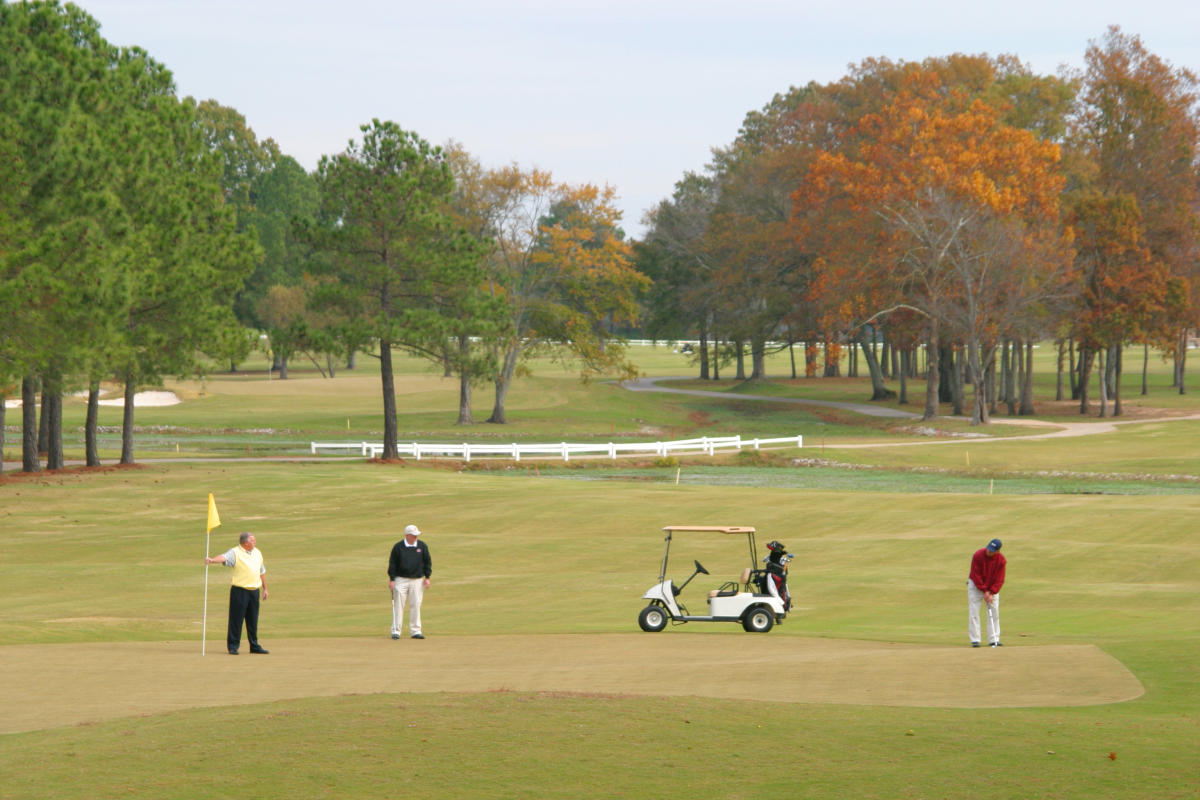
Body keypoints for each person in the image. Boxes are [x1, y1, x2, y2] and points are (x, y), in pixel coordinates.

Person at [205, 532, 269, 655]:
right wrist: (212, 560)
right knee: (236, 619)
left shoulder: (257, 553)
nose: (255, 542)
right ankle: (233, 646)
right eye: (252, 540)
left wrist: (265, 589)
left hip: (254, 591)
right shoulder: (235, 552)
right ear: (245, 543)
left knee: (253, 620)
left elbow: (262, 571)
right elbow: (224, 557)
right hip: (240, 591)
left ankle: (254, 645)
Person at [388, 524, 432, 640]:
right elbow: (392, 564)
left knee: (416, 605)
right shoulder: (398, 547)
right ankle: (396, 631)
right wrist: (392, 579)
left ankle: (415, 631)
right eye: (413, 535)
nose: (416, 537)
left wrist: (427, 577)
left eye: (416, 535)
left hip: (417, 580)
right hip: (400, 580)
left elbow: (427, 562)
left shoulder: (422, 546)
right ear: (407, 535)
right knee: (398, 606)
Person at [967, 538, 1006, 647]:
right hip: (976, 585)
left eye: (992, 550)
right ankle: (975, 639)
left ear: (998, 551)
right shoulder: (978, 555)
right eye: (989, 549)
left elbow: (1000, 579)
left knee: (994, 612)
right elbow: (976, 575)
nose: (989, 552)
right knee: (974, 611)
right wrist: (984, 590)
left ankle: (994, 639)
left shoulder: (1001, 560)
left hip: (992, 587)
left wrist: (992, 592)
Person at [761, 540, 793, 612]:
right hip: (777, 574)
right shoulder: (777, 557)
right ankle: (783, 604)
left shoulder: (774, 557)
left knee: (773, 592)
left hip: (774, 575)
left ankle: (782, 603)